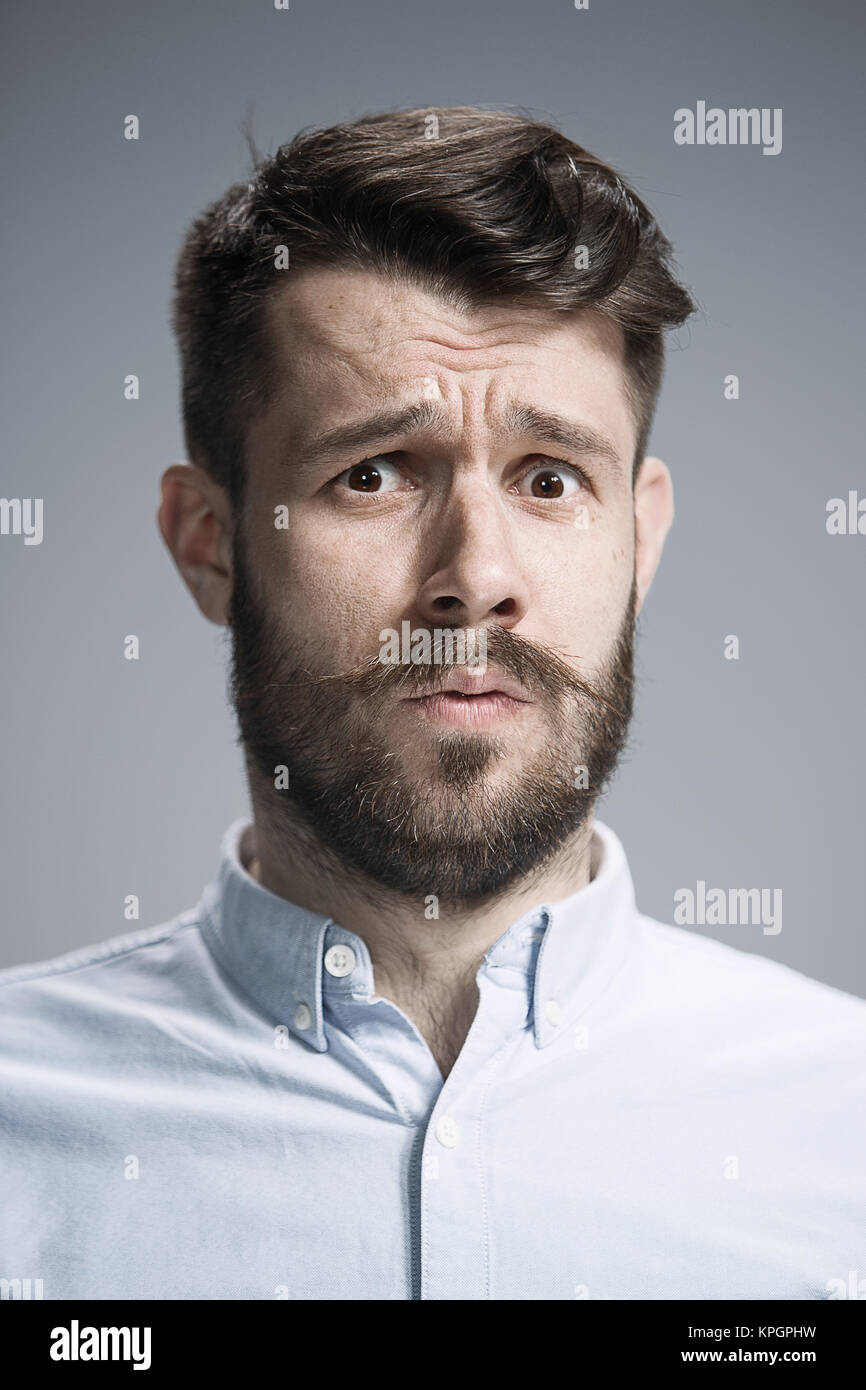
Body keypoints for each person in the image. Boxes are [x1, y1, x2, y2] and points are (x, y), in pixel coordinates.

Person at [1, 106, 863, 1301]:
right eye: (373, 473)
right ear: (209, 544)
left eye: (549, 478)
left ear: (637, 536)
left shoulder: (842, 1131)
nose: (478, 576)